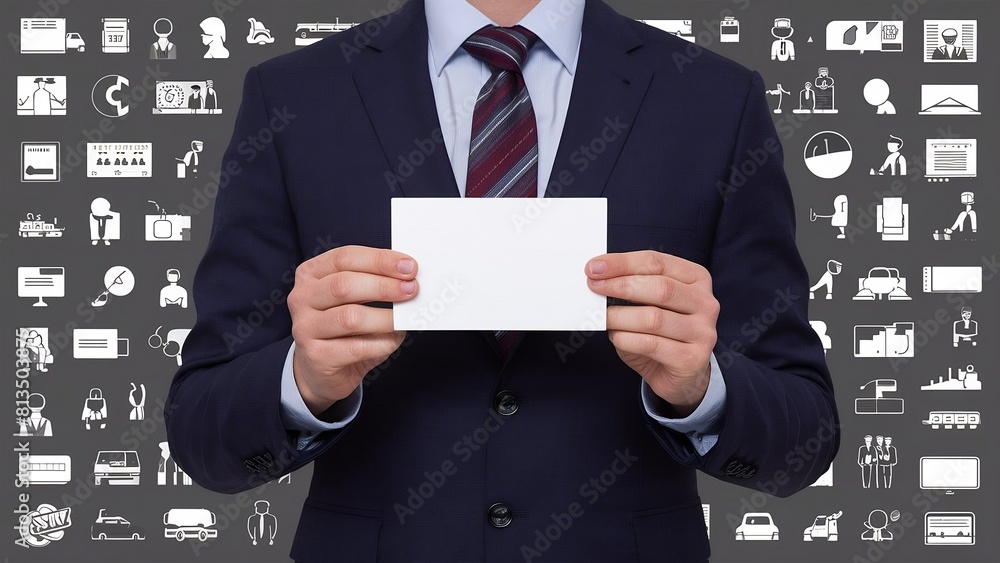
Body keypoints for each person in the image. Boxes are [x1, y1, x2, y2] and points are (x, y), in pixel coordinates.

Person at [165, 2, 839, 561]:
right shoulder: (296, 96)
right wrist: (301, 383)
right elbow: (203, 435)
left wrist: (704, 389)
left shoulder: (714, 98)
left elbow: (803, 436)